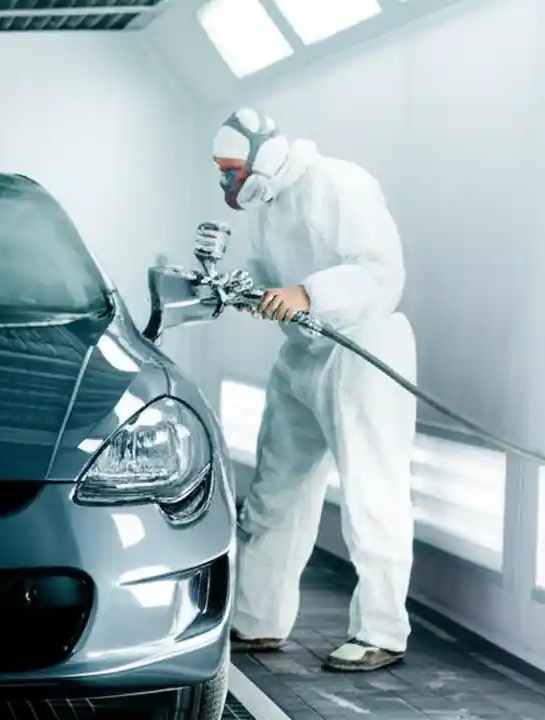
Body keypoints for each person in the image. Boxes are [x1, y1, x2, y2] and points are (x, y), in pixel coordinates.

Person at [212, 108, 418, 672]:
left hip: (361, 349)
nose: (228, 183)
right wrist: (241, 290)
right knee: (277, 489)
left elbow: (381, 271)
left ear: (264, 155)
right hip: (304, 351)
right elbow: (268, 272)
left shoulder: (336, 182)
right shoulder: (271, 205)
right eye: (223, 173)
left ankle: (381, 631)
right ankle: (257, 620)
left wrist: (307, 292)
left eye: (232, 171)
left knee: (373, 493)